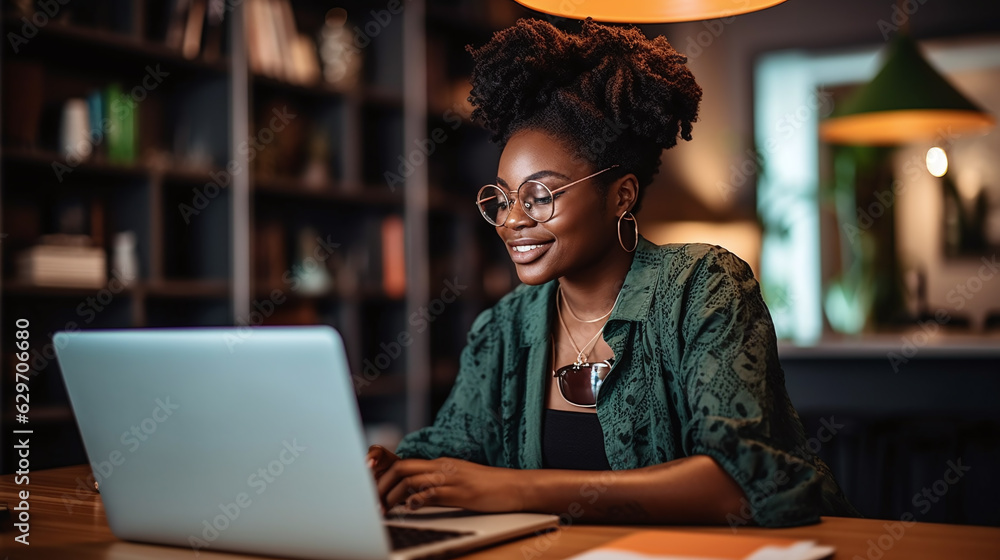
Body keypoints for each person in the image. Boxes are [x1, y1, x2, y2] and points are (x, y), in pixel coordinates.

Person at [366, 17, 857, 527]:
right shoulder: (505, 329)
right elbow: (452, 453)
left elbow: (736, 484)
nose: (512, 220)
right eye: (505, 198)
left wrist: (514, 488)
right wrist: (396, 469)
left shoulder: (704, 288)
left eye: (540, 196)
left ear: (621, 195)